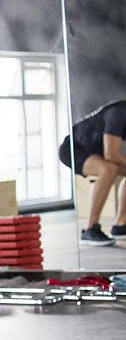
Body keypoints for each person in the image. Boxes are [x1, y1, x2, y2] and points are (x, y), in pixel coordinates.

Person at [59, 99, 126, 246]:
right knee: (109, 169)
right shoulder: (119, 112)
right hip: (72, 149)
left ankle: (121, 225)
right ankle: (90, 229)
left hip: (90, 150)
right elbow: (111, 155)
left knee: (112, 168)